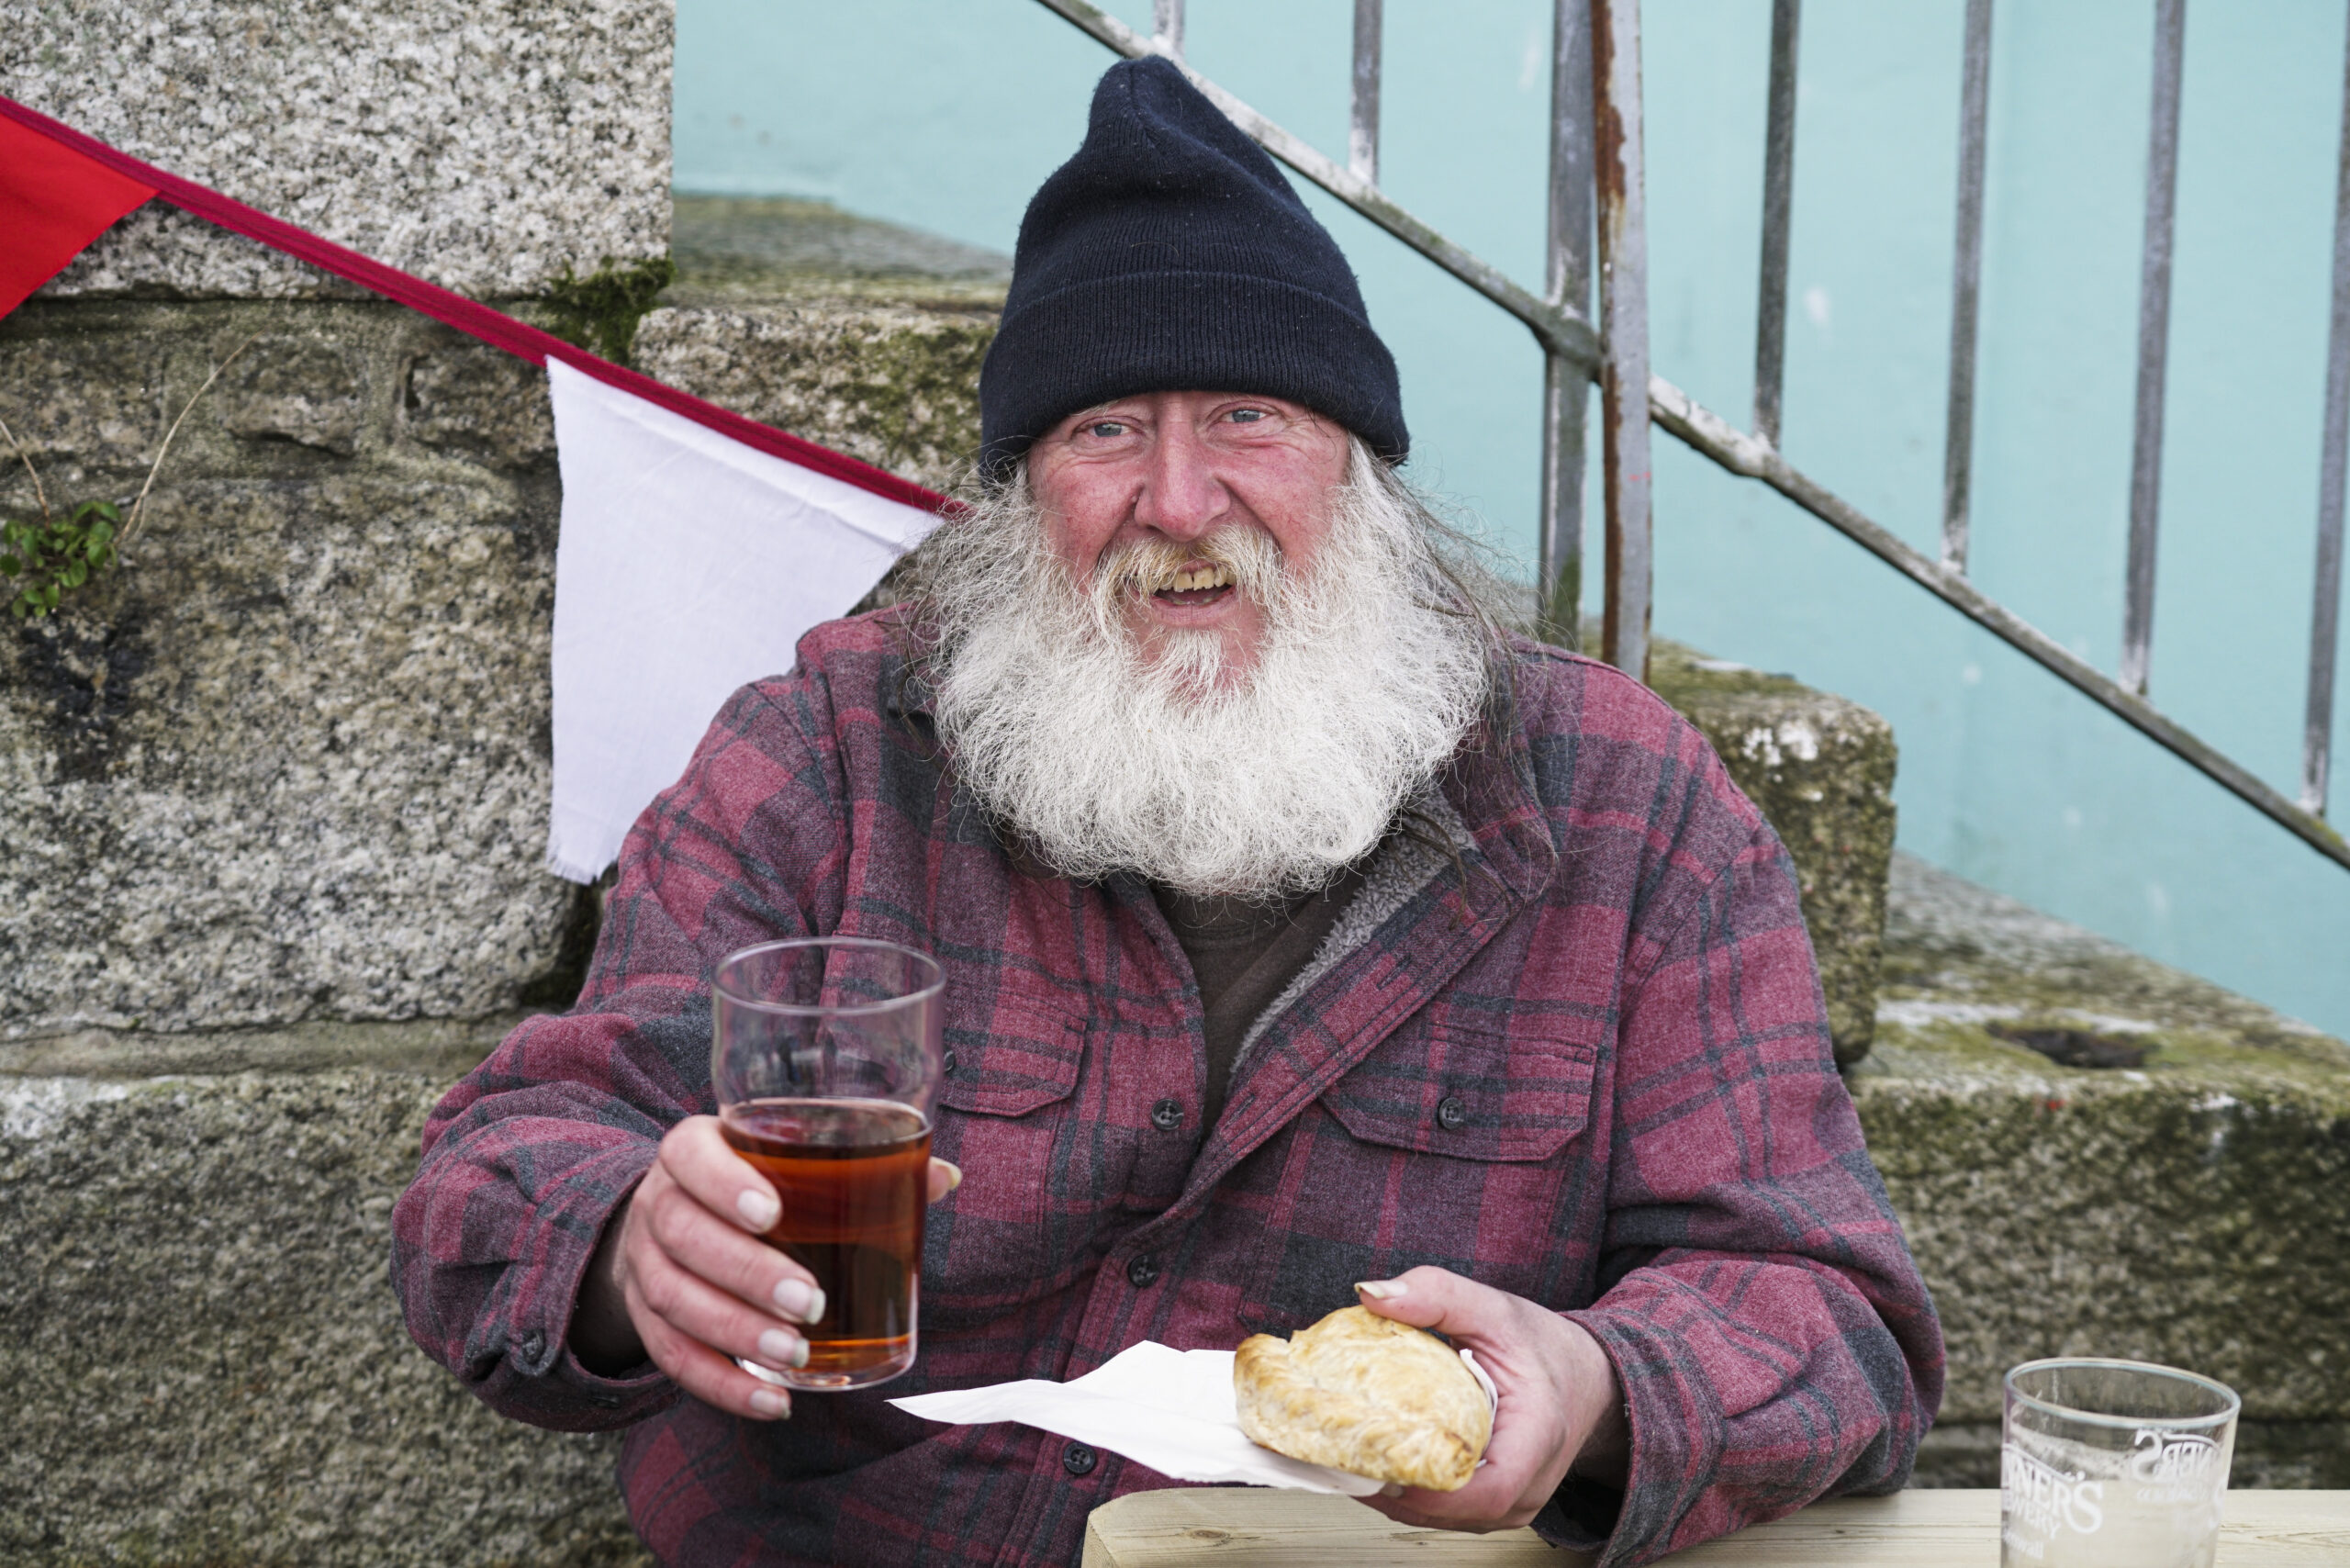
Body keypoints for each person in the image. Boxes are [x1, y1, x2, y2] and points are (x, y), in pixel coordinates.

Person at [391, 55, 1942, 1568]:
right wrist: (625, 1249)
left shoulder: (1623, 805)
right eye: (1105, 431)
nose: (1182, 503)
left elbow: (1827, 1315)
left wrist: (1595, 1387)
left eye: (1249, 417)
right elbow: (497, 1179)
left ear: (1363, 470)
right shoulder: (832, 753)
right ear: (1018, 503)